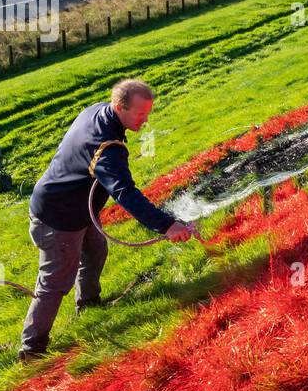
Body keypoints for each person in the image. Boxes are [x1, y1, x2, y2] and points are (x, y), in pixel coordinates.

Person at [18, 79, 198, 362]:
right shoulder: (107, 148)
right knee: (54, 283)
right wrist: (167, 225)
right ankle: (31, 350)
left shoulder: (97, 111)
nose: (145, 120)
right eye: (140, 114)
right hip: (58, 219)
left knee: (95, 249)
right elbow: (125, 193)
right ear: (119, 107)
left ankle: (88, 305)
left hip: (77, 208)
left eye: (148, 112)